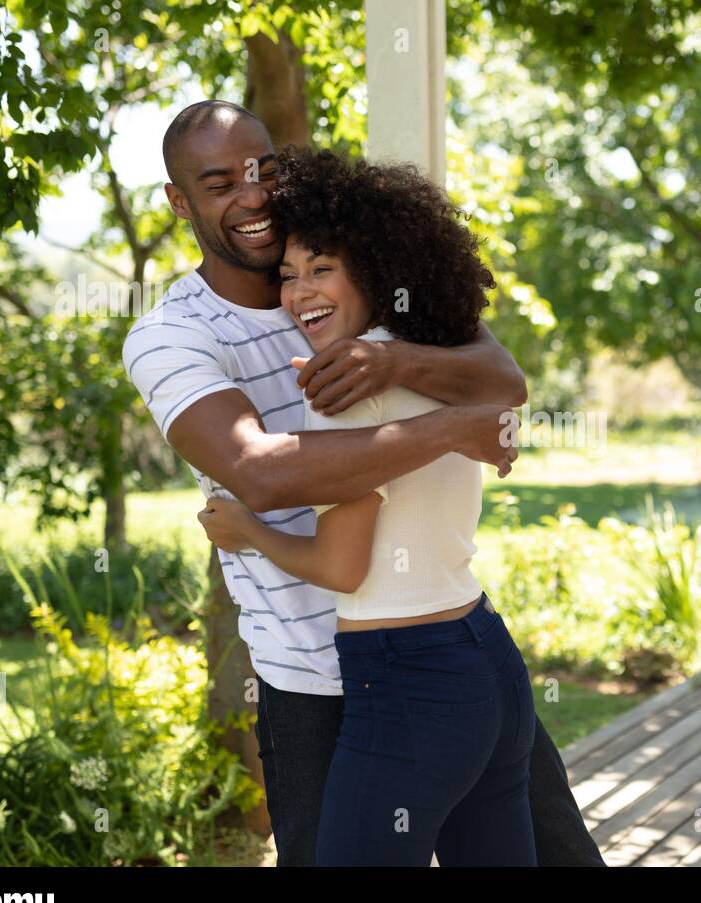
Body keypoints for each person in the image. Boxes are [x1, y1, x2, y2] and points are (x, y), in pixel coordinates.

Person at [122, 100, 605, 866]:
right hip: (315, 685)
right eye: (218, 184)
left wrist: (396, 364)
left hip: (434, 646)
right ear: (179, 203)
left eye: (263, 172)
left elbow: (502, 381)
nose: (250, 197)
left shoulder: (375, 278)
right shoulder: (173, 336)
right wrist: (450, 427)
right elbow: (256, 469)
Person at [199, 147, 540, 864]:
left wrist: (249, 532)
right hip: (487, 661)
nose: (299, 293)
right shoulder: (442, 361)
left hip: (409, 679)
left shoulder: (348, 384)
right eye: (288, 275)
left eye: (322, 269)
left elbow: (342, 566)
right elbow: (508, 386)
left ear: (377, 272)